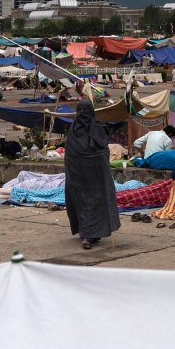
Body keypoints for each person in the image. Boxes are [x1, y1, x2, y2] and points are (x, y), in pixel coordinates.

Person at [63, 99, 120, 250]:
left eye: (86, 111)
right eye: (80, 111)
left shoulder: (98, 129)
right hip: (77, 178)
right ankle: (86, 234)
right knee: (82, 205)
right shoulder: (73, 131)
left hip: (95, 179)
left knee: (97, 204)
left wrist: (101, 164)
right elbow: (69, 156)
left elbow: (103, 152)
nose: (83, 115)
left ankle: (93, 234)